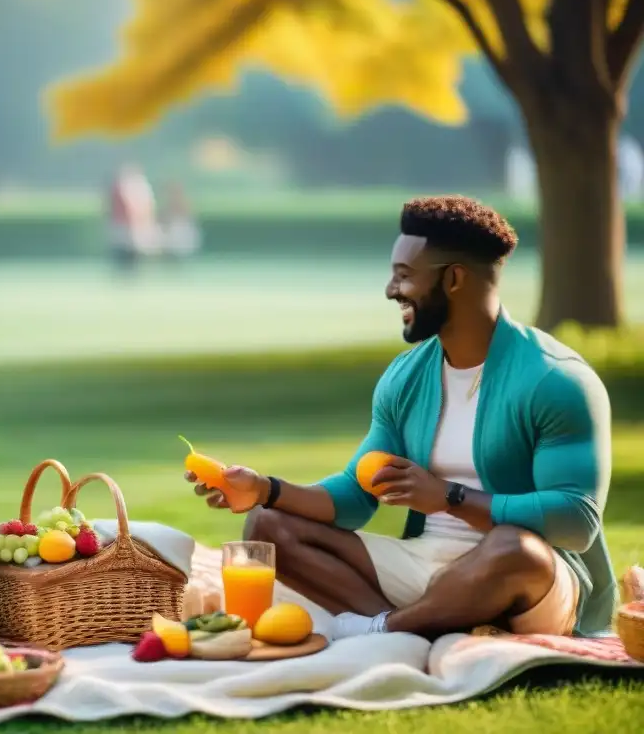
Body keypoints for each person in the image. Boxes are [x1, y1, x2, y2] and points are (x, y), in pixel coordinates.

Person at [187, 196, 618, 641]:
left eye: (404, 275)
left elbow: (575, 520)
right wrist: (265, 489)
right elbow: (356, 495)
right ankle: (412, 627)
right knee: (267, 524)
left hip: (534, 583)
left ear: (453, 278)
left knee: (514, 549)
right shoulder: (407, 377)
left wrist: (449, 497)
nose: (391, 290)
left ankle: (388, 628)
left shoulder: (555, 379)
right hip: (425, 564)